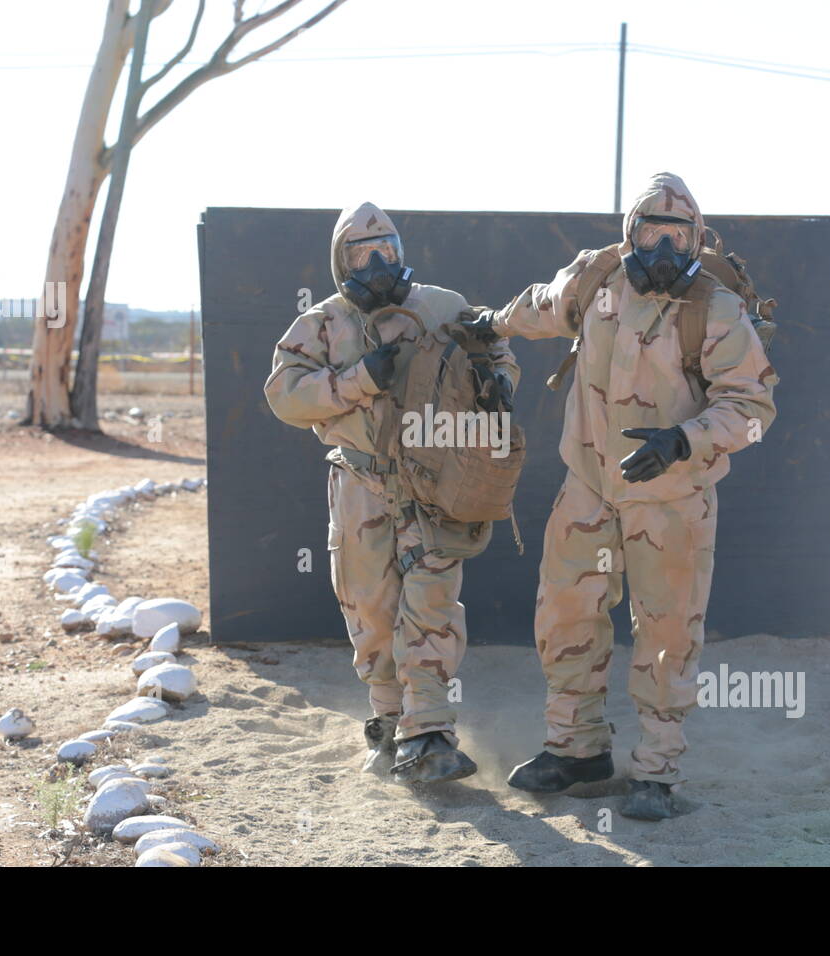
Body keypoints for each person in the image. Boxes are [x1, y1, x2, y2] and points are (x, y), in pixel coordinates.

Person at [461, 172, 779, 819]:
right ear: (630, 233)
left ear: (696, 239)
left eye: (677, 235)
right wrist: (492, 325)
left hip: (673, 501)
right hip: (589, 487)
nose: (663, 248)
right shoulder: (595, 279)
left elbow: (753, 410)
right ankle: (575, 748)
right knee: (565, 615)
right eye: (651, 233)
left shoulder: (717, 309)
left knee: (667, 631)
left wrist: (684, 439)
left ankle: (656, 773)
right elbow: (542, 304)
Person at [265, 202, 519, 784]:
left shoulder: (443, 306)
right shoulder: (323, 323)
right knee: (372, 610)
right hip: (360, 482)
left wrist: (499, 382)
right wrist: (359, 380)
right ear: (341, 263)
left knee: (430, 604)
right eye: (363, 254)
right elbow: (285, 396)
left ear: (403, 253)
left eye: (388, 251)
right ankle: (388, 723)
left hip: (436, 482)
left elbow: (497, 348)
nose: (379, 264)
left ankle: (429, 732)